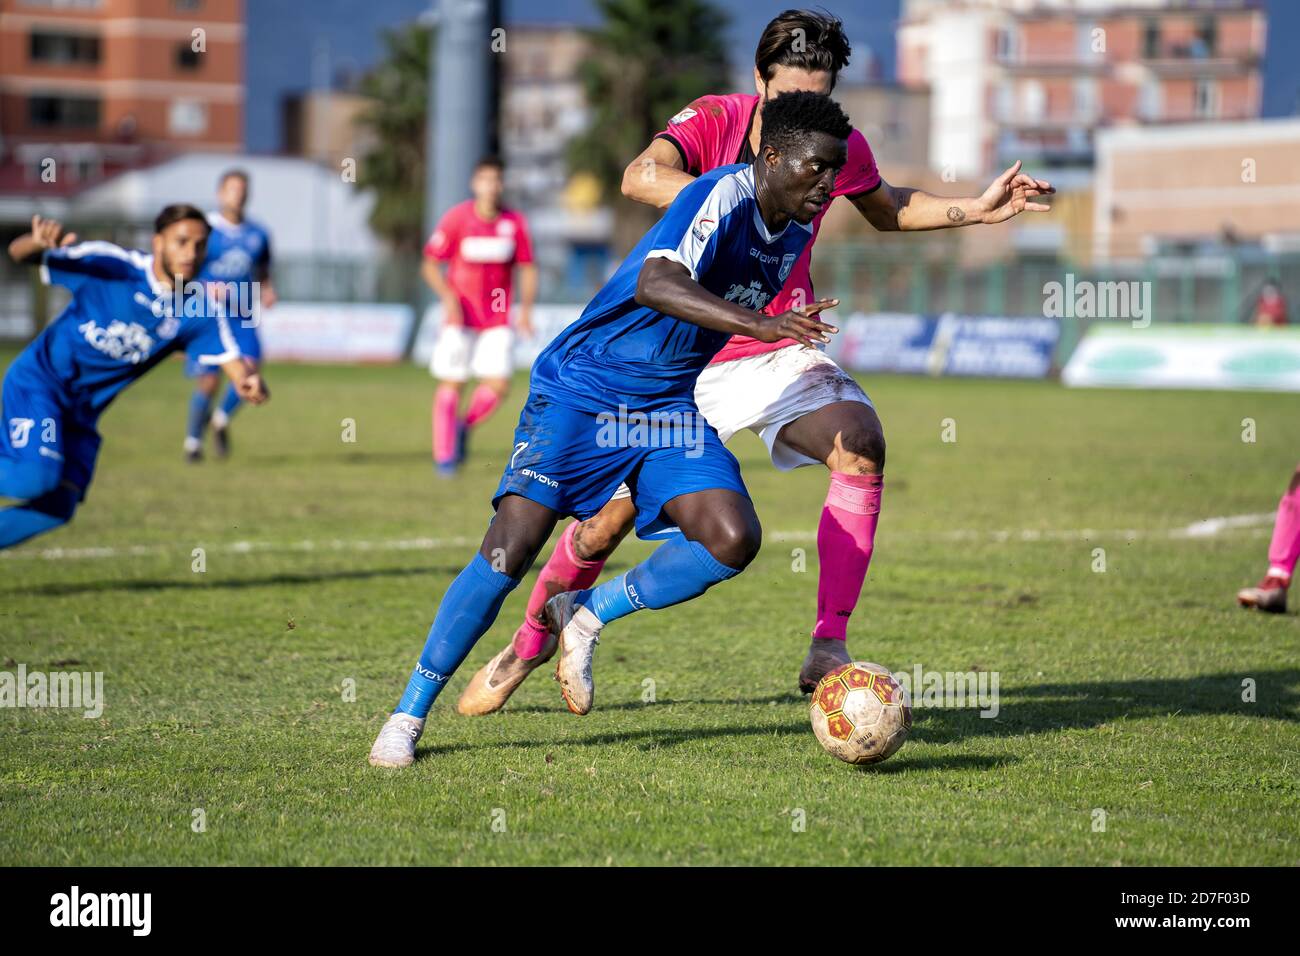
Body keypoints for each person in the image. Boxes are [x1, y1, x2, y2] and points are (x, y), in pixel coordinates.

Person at [458, 7, 1056, 715]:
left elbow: (887, 206)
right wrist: (734, 204)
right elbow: (638, 174)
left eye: (818, 98)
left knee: (860, 442)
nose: (798, 118)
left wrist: (977, 211)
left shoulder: (835, 144)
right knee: (601, 526)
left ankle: (828, 642)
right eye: (783, 100)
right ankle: (531, 639)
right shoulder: (716, 119)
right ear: (757, 82)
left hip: (775, 346)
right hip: (679, 358)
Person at [368, 91, 849, 768]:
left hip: (666, 409)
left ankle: (586, 612)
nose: (828, 183)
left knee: (732, 537)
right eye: (816, 166)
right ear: (771, 156)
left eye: (836, 169)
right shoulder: (719, 196)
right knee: (510, 550)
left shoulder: (794, 234)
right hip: (584, 388)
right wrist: (763, 325)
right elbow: (656, 283)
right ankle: (406, 715)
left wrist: (781, 336)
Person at [2, 208, 269, 549]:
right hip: (41, 384)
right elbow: (20, 255)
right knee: (35, 479)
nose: (190, 254)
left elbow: (233, 363)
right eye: (181, 242)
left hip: (81, 415)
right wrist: (34, 242)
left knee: (60, 504)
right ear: (158, 242)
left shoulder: (199, 310)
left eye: (200, 246)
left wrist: (249, 380)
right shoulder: (111, 265)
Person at [422, 156, 537, 475]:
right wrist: (447, 296)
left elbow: (527, 267)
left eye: (497, 180)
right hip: (460, 318)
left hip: (497, 317)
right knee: (452, 384)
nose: (492, 186)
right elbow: (430, 262)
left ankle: (462, 426)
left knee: (499, 385)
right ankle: (444, 458)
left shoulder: (513, 223)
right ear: (475, 184)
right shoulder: (457, 219)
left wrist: (525, 311)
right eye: (485, 179)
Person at [183, 168, 275, 462]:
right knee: (209, 382)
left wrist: (268, 288)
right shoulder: (204, 230)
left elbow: (263, 269)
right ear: (220, 194)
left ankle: (220, 420)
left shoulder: (258, 233)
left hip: (243, 310)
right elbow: (182, 270)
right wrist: (204, 288)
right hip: (206, 312)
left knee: (250, 372)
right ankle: (193, 443)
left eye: (243, 190)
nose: (239, 195)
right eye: (233, 189)